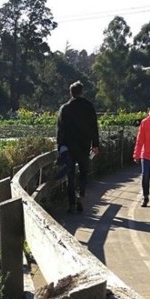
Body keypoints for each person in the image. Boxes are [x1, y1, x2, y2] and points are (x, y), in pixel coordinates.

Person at [56, 80, 100, 213]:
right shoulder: (89, 106)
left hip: (69, 146)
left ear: (71, 92)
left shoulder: (65, 108)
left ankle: (71, 203)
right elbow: (94, 127)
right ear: (82, 92)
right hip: (84, 146)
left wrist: (60, 146)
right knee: (83, 173)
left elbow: (60, 129)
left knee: (70, 175)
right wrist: (95, 144)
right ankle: (81, 197)